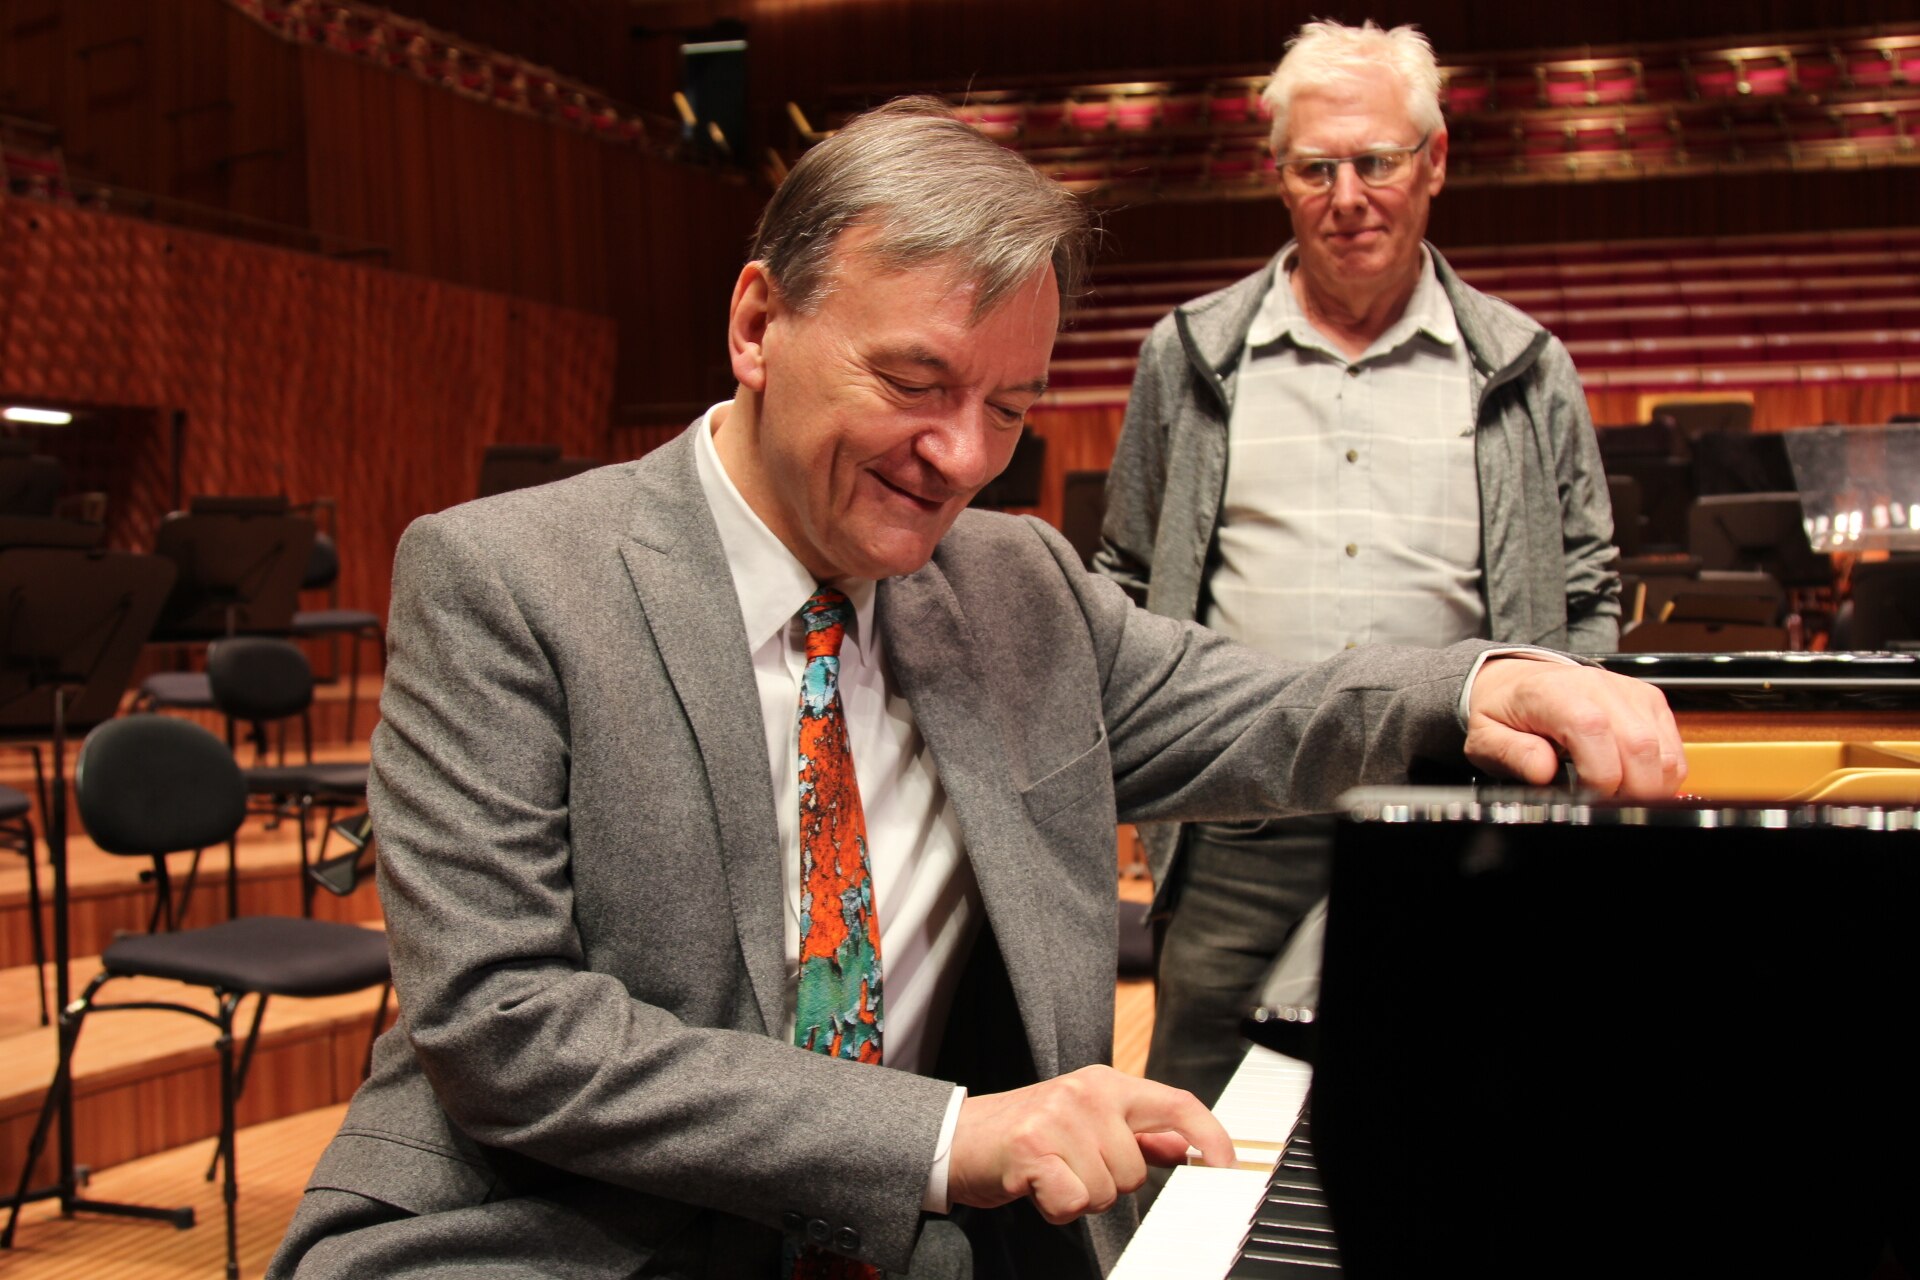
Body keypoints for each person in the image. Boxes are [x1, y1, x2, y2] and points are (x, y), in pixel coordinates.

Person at [270, 98, 1681, 1280]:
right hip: (549, 1234)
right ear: (758, 324)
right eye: (915, 381)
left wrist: (1489, 679)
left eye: (1007, 407)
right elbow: (507, 1028)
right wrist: (953, 1138)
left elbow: (1262, 708)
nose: (958, 455)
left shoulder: (1017, 584)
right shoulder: (506, 578)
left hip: (902, 1245)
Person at [1095, 19, 1623, 1110]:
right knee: (1198, 1127)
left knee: (1446, 1112)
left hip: (1447, 820)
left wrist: (1544, 782)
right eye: (1316, 167)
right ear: (1277, 176)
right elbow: (1128, 576)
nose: (1350, 196)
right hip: (1231, 822)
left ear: (1434, 161)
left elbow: (1585, 589)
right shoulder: (1188, 355)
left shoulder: (1524, 365)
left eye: (1377, 161)